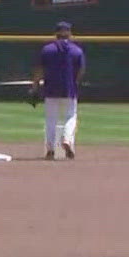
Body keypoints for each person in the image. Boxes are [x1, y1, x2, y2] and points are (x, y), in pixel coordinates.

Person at [34, 20, 85, 160]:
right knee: (70, 116)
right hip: (69, 89)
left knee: (51, 120)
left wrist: (35, 85)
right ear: (70, 33)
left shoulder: (47, 49)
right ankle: (67, 140)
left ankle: (50, 149)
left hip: (51, 88)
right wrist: (75, 83)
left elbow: (39, 69)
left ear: (56, 33)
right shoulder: (77, 50)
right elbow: (81, 71)